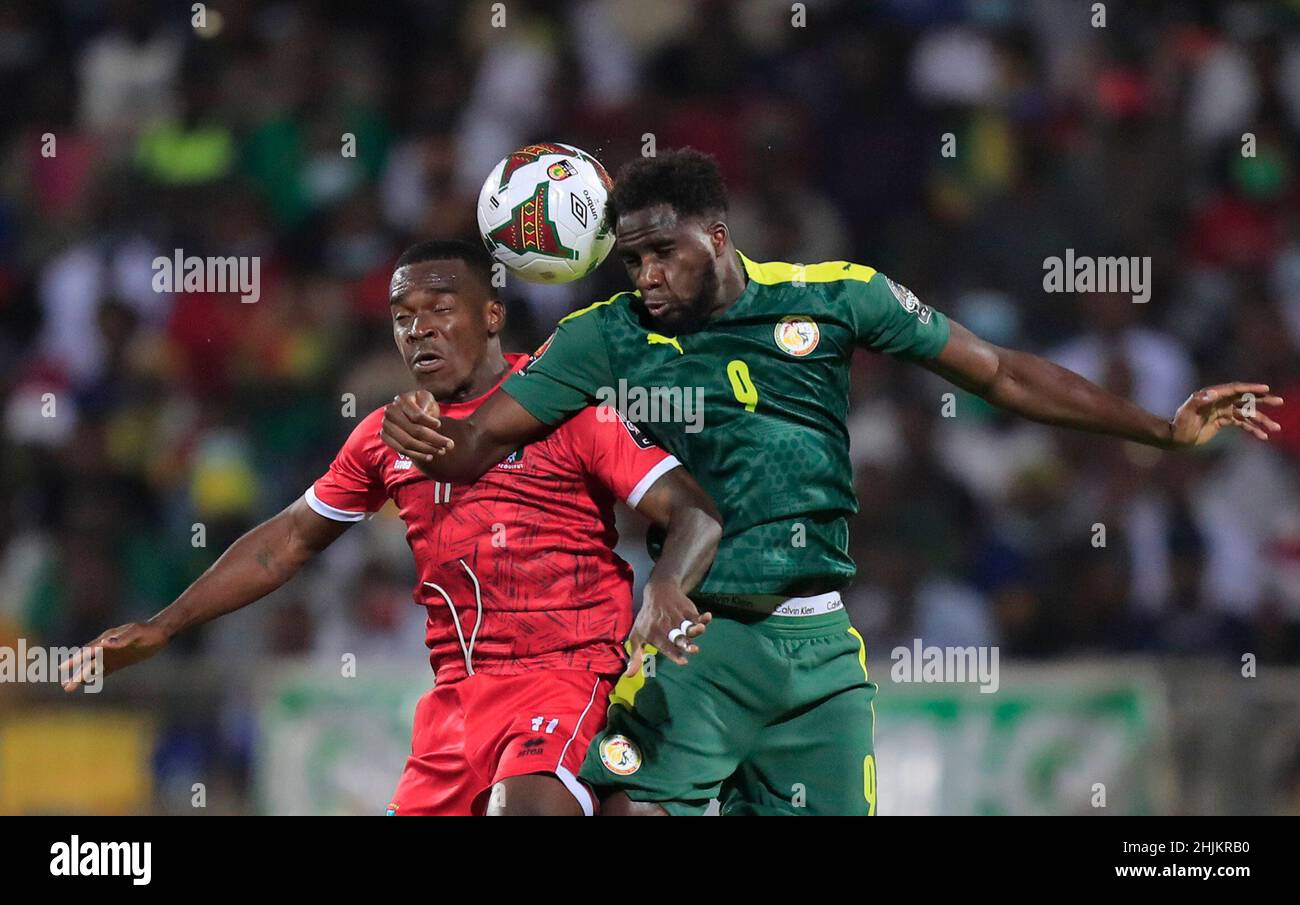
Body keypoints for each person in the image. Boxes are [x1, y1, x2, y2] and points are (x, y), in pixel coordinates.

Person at [378, 150, 1284, 816]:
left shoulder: (836, 296)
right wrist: (424, 432)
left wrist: (1160, 428)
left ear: (717, 236)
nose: (646, 276)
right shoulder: (604, 337)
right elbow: (474, 443)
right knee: (627, 804)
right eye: (632, 261)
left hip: (817, 655)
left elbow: (1001, 372)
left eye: (662, 254)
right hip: (696, 645)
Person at [62, 239, 723, 816]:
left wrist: (665, 587)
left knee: (525, 807)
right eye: (403, 317)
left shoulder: (565, 406)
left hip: (566, 674)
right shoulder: (386, 437)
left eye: (440, 310)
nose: (419, 331)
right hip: (455, 705)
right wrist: (166, 624)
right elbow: (288, 541)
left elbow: (694, 512)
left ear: (491, 315)